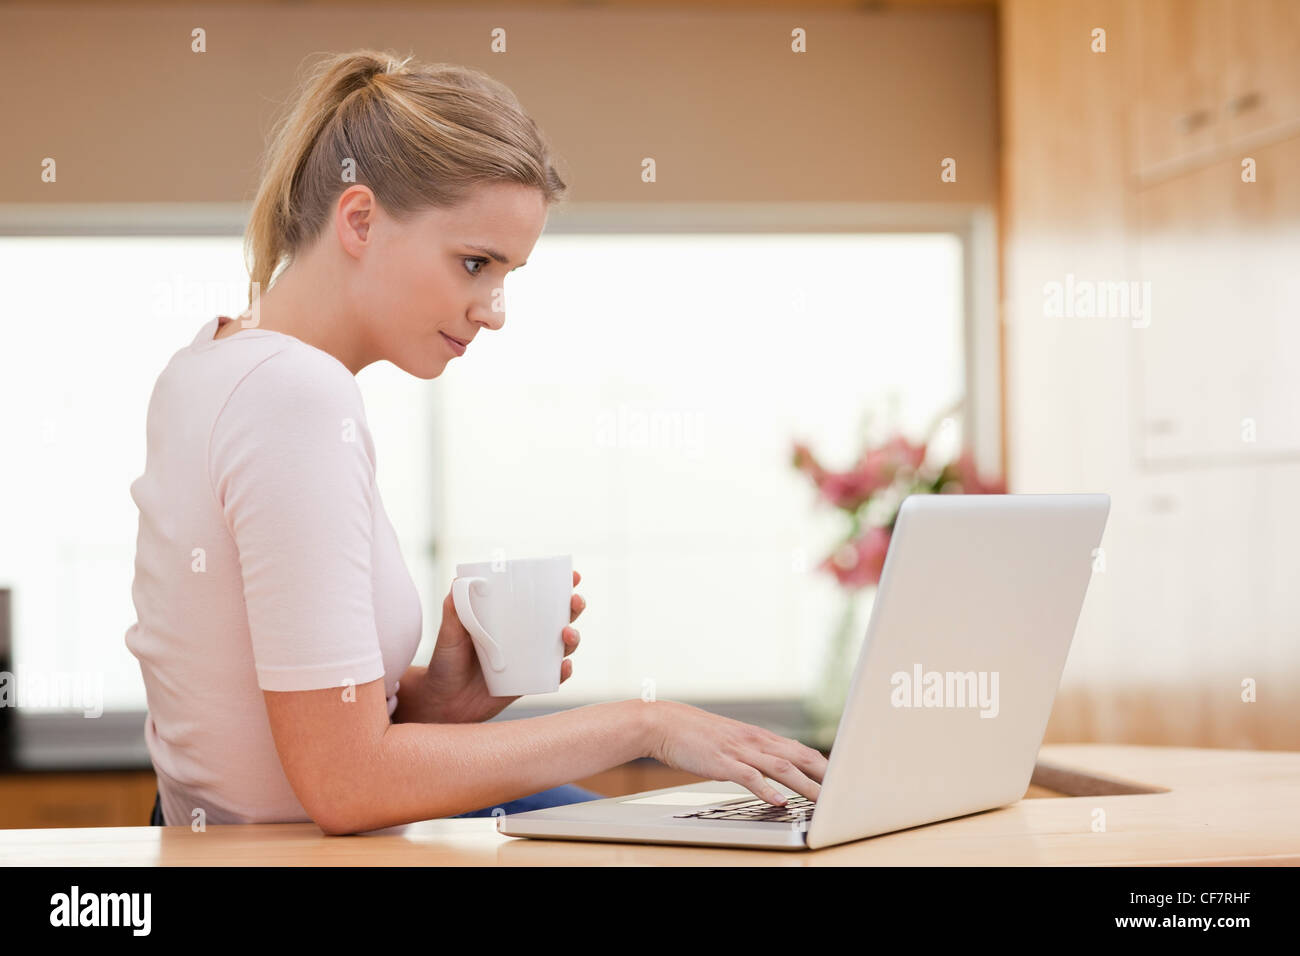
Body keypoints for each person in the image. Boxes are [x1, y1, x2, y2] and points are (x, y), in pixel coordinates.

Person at [129, 48, 826, 834]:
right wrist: (645, 725)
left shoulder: (208, 363)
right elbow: (343, 784)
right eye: (473, 263)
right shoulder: (293, 394)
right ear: (359, 220)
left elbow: (258, 737)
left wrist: (439, 700)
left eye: (505, 276)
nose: (492, 310)